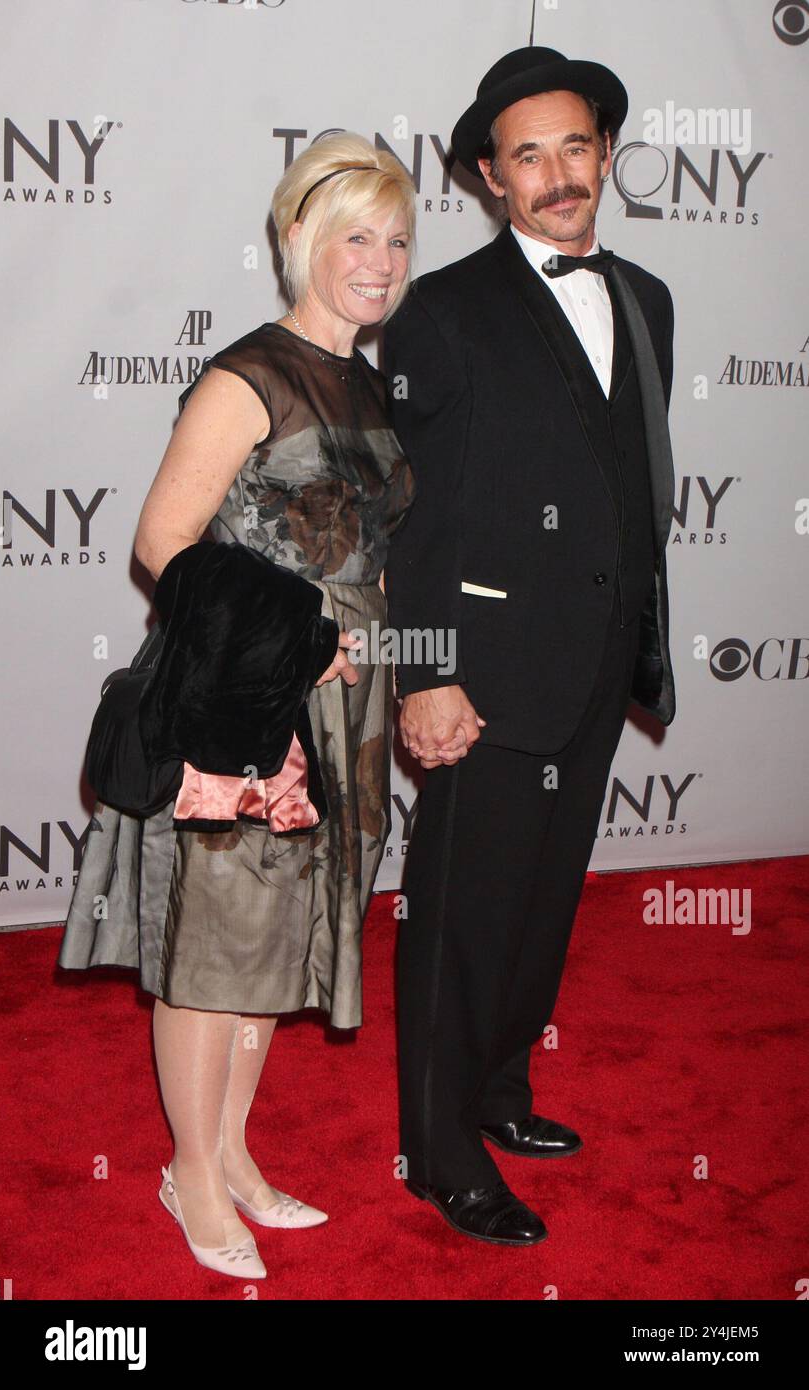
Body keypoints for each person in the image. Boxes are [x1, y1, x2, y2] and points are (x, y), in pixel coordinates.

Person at [57, 132, 416, 1279]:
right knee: (214, 949)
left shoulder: (365, 379)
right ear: (299, 238)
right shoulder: (247, 375)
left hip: (343, 710)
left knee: (278, 948)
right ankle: (191, 1176)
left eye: (398, 237)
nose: (379, 258)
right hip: (248, 705)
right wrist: (303, 639)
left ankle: (235, 1152)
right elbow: (162, 541)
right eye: (354, 234)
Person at [383, 46, 676, 1245]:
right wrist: (428, 671)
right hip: (485, 677)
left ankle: (501, 1089)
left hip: (597, 662)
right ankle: (437, 1149)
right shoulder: (442, 310)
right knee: (459, 917)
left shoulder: (646, 295)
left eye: (574, 146)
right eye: (527, 156)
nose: (557, 174)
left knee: (545, 902)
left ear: (603, 154)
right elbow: (410, 515)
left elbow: (626, 478)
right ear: (491, 179)